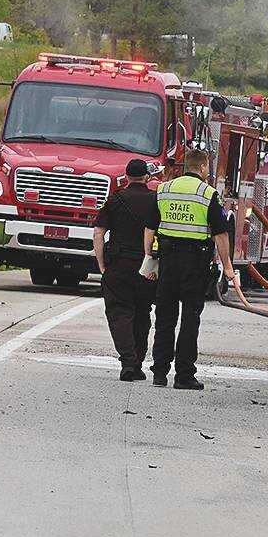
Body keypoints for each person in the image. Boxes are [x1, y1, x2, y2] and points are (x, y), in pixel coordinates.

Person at [142, 150, 235, 389]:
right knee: (190, 319)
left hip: (168, 262)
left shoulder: (164, 189)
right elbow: (221, 234)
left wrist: (148, 258)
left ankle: (159, 373)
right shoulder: (208, 194)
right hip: (195, 264)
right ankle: (184, 375)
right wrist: (228, 267)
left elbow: (150, 229)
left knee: (164, 318)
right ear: (203, 167)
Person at [93, 159, 157, 382]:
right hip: (146, 267)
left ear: (126, 176)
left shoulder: (115, 200)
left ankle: (128, 362)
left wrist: (102, 265)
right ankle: (137, 362)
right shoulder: (155, 200)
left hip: (118, 265)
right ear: (147, 177)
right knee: (142, 314)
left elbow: (99, 234)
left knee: (119, 314)